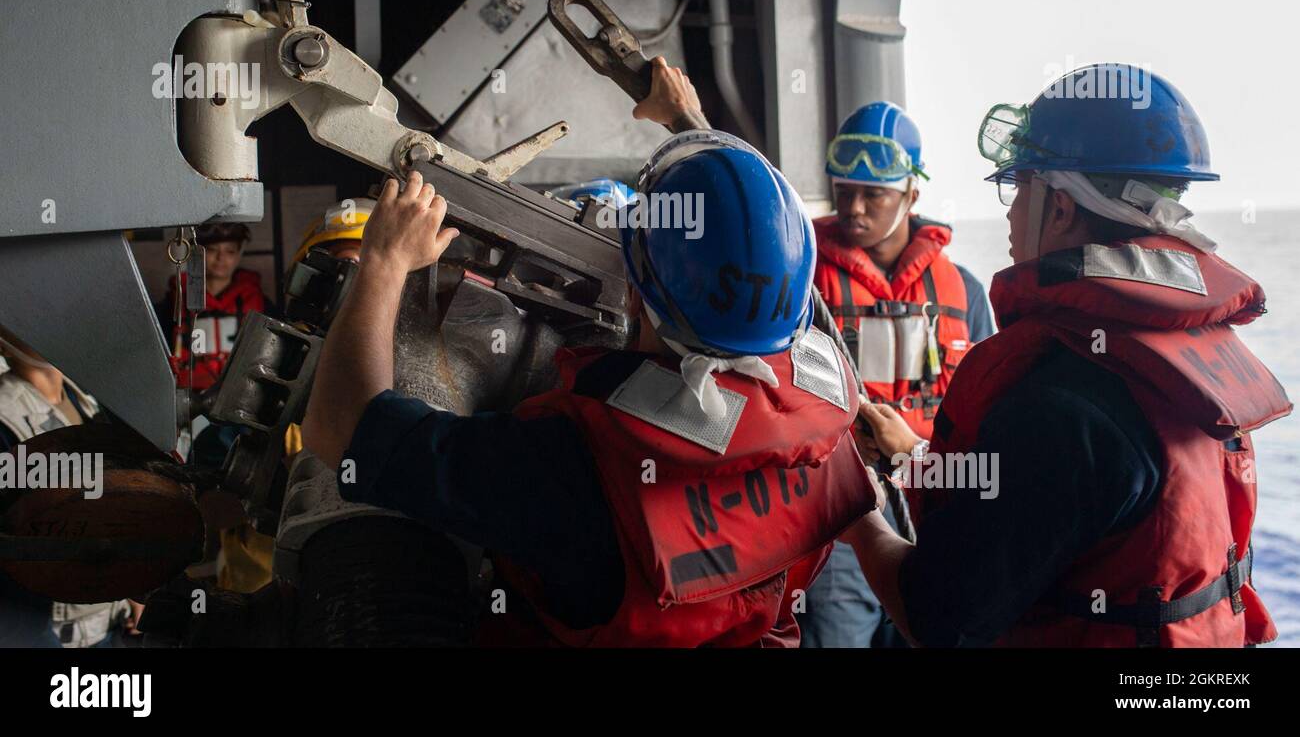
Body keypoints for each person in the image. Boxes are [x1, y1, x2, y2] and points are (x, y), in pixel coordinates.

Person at [301, 57, 876, 647]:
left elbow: (338, 429)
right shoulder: (826, 430)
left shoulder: (570, 464)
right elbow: (754, 237)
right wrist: (687, 119)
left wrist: (384, 261)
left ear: (631, 287)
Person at [842, 64, 1290, 647]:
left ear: (1059, 207)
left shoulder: (1056, 397)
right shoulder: (1185, 355)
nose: (1007, 212)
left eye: (1019, 186)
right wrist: (917, 460)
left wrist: (857, 517)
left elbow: (936, 616)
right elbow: (1076, 501)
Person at [800, 101, 994, 648]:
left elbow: (982, 415)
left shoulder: (966, 293)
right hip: (839, 522)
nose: (853, 209)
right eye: (843, 193)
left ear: (911, 194)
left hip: (935, 510)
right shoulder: (800, 281)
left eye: (873, 195)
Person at [213, 198, 375, 593]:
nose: (355, 283)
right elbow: (223, 480)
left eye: (370, 269)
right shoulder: (278, 364)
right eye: (344, 267)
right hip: (260, 583)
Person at [0, 325, 137, 647]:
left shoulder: (84, 399)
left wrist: (133, 594)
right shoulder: (5, 419)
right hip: (44, 625)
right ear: (4, 343)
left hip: (108, 616)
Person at [156, 222, 274, 393]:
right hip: (189, 400)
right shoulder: (174, 303)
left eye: (230, 251)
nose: (221, 258)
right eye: (212, 250)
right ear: (197, 253)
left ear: (239, 254)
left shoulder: (260, 304)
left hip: (239, 398)